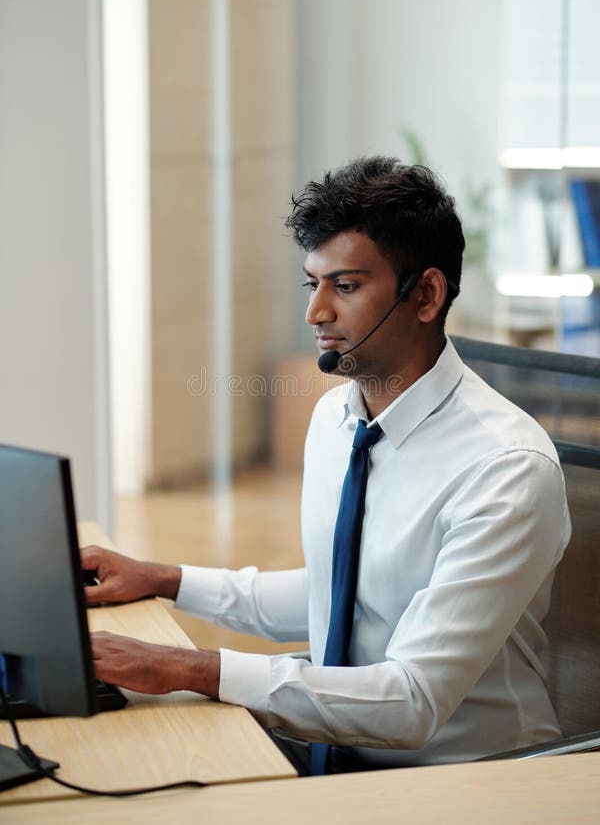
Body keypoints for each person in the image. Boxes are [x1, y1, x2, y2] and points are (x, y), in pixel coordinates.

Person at [83, 157, 571, 775]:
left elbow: (412, 702)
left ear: (425, 295)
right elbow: (343, 593)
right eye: (311, 284)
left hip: (467, 779)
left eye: (344, 286)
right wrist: (162, 579)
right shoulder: (336, 420)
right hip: (332, 745)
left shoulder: (505, 468)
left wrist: (188, 668)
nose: (315, 313)